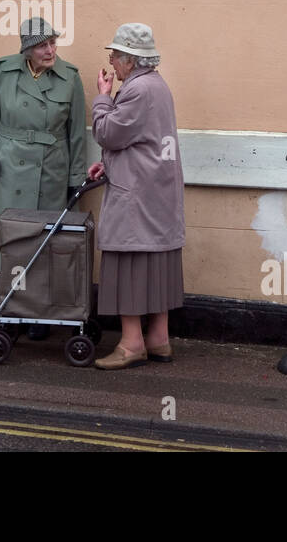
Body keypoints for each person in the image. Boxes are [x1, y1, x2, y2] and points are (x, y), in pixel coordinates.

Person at [87, 23, 185, 370]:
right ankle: (159, 340)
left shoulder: (135, 90)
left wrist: (102, 97)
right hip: (157, 192)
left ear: (130, 59)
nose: (111, 61)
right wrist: (107, 165)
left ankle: (131, 345)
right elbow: (141, 139)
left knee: (127, 263)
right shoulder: (158, 86)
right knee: (156, 263)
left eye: (115, 55)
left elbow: (109, 133)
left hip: (136, 196)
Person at [0, 16, 87, 281]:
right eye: (42, 45)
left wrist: (76, 179)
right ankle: (8, 312)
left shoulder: (70, 78)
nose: (50, 50)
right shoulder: (5, 72)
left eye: (53, 43)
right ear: (27, 50)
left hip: (51, 174)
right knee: (11, 245)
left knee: (46, 248)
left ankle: (40, 316)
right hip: (10, 173)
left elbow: (76, 136)